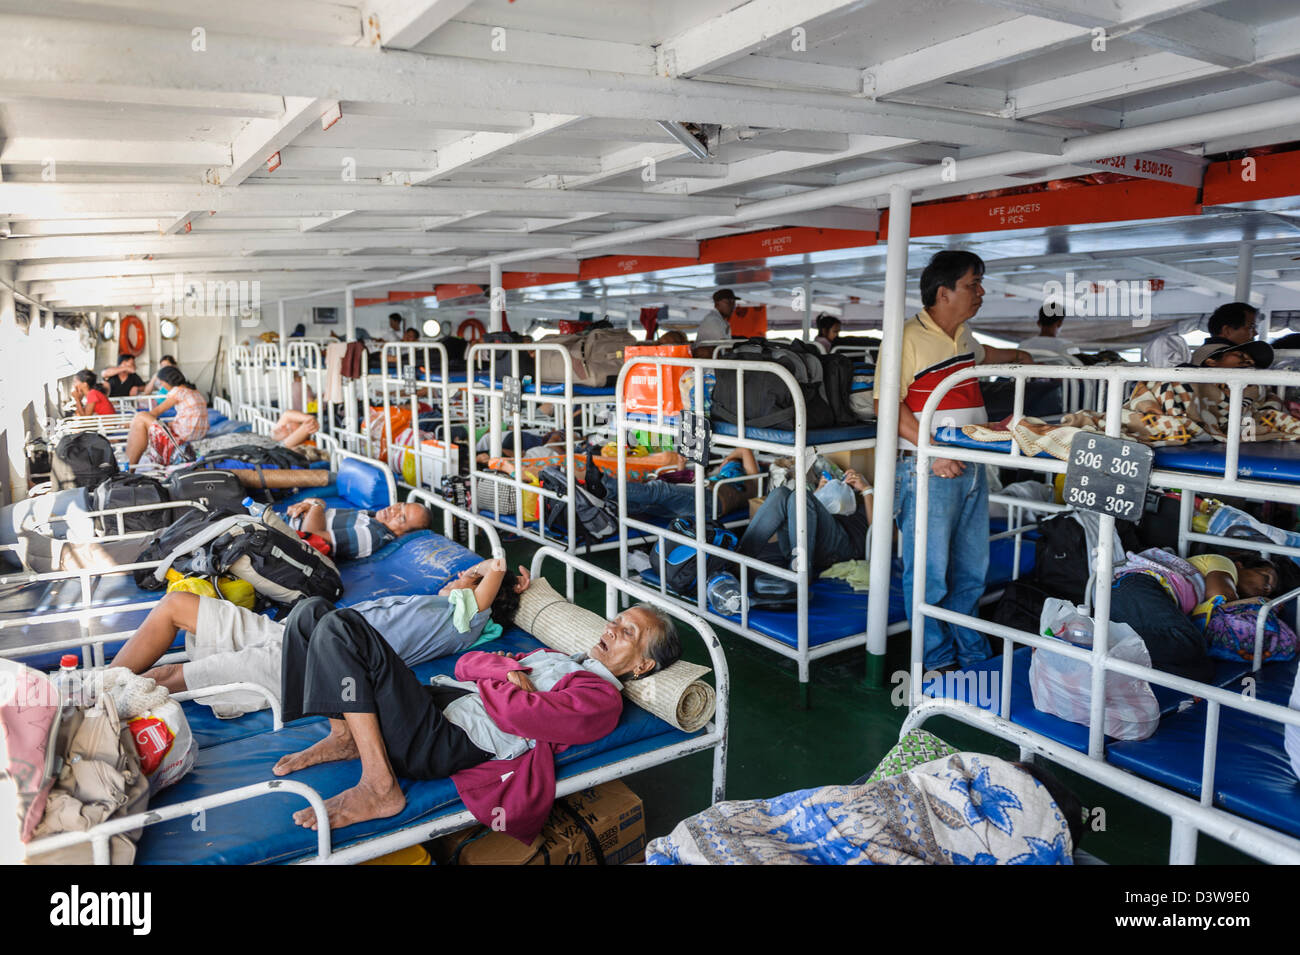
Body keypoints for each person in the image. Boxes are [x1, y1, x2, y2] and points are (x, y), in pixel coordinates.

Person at [270, 597, 680, 834]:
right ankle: (345, 736)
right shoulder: (557, 660)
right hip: (437, 703)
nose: (610, 630)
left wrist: (502, 677)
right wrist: (508, 674)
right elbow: (469, 664)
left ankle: (379, 785)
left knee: (342, 626)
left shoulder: (599, 698)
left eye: (628, 634)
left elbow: (520, 715)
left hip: (443, 740)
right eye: (617, 621)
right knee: (311, 612)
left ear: (642, 667)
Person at [108, 558, 530, 718]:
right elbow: (475, 579)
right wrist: (475, 579)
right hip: (295, 633)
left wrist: (507, 578)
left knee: (168, 676)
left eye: (465, 578)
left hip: (311, 663)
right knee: (176, 604)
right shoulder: (443, 609)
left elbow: (493, 568)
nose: (457, 576)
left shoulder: (466, 621)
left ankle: (86, 703)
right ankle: (100, 682)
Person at [873, 250, 1032, 671]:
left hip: (970, 465)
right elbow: (886, 405)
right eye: (972, 284)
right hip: (928, 469)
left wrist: (1019, 356)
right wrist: (933, 451)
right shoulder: (905, 337)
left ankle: (972, 652)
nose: (980, 293)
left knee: (971, 571)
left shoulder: (964, 336)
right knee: (930, 573)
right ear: (943, 293)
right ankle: (935, 660)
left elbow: (983, 357)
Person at [1110, 548, 1278, 682]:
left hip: (1136, 602)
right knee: (1190, 642)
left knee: (1202, 671)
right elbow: (1219, 597)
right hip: (1139, 585)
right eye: (1265, 578)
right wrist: (1255, 602)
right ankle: (1104, 639)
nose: (1267, 588)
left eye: (1270, 589)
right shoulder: (1226, 564)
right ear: (1241, 566)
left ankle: (1116, 652)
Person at [737, 468, 873, 573]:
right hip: (802, 547)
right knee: (781, 493)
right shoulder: (842, 506)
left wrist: (866, 489)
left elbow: (881, 533)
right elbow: (808, 513)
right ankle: (738, 561)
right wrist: (821, 492)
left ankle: (800, 572)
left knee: (800, 496)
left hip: (843, 549)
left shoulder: (873, 504)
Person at [600, 447, 760, 521]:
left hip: (712, 501)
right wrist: (681, 468)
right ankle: (603, 502)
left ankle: (604, 484)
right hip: (702, 498)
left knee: (659, 490)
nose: (726, 465)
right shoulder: (718, 477)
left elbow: (744, 449)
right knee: (646, 504)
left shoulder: (751, 484)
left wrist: (729, 458)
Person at [286, 498, 431, 560]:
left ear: (402, 534)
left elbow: (309, 538)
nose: (393, 511)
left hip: (284, 533)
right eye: (400, 506)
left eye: (401, 518)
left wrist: (316, 505)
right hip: (288, 518)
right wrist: (309, 506)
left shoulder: (372, 534)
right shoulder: (372, 517)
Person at [125, 366, 209, 466]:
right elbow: (188, 421)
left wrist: (130, 423)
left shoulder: (178, 391)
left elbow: (155, 412)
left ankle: (129, 466)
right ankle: (129, 464)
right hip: (195, 435)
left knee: (140, 417)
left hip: (183, 439)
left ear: (168, 381)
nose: (163, 387)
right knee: (142, 420)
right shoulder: (194, 391)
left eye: (162, 383)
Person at [693, 289, 736, 356]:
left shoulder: (721, 320)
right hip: (708, 363)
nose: (732, 306)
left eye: (733, 302)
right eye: (728, 302)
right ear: (717, 304)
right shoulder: (712, 320)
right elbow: (726, 346)